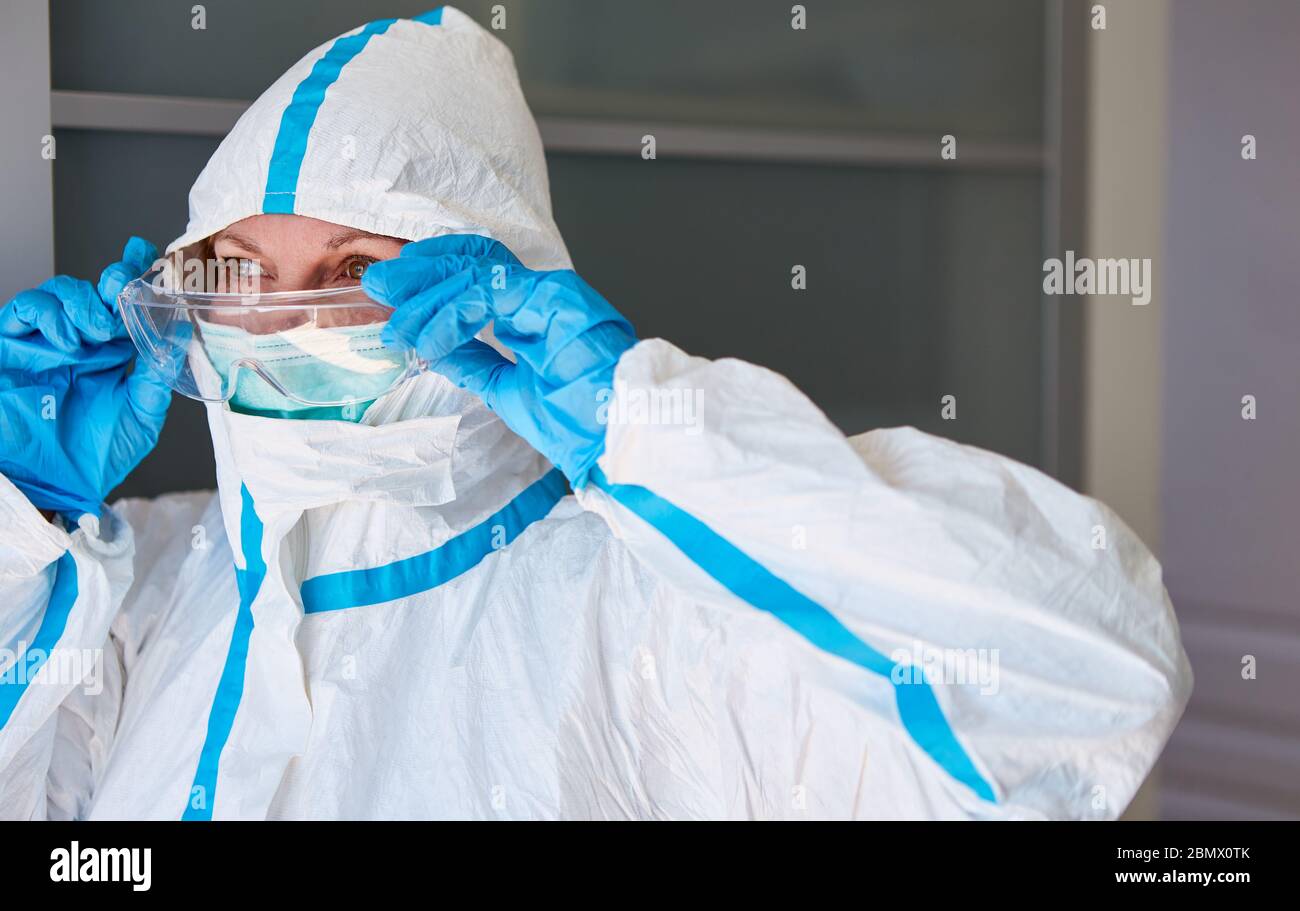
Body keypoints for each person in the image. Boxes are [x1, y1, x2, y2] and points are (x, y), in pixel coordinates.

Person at [0, 7, 1190, 820]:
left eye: (357, 270)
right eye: (244, 277)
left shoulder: (642, 619)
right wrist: (14, 515)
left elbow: (1077, 682)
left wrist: (646, 425)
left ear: (485, 286)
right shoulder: (146, 593)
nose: (288, 326)